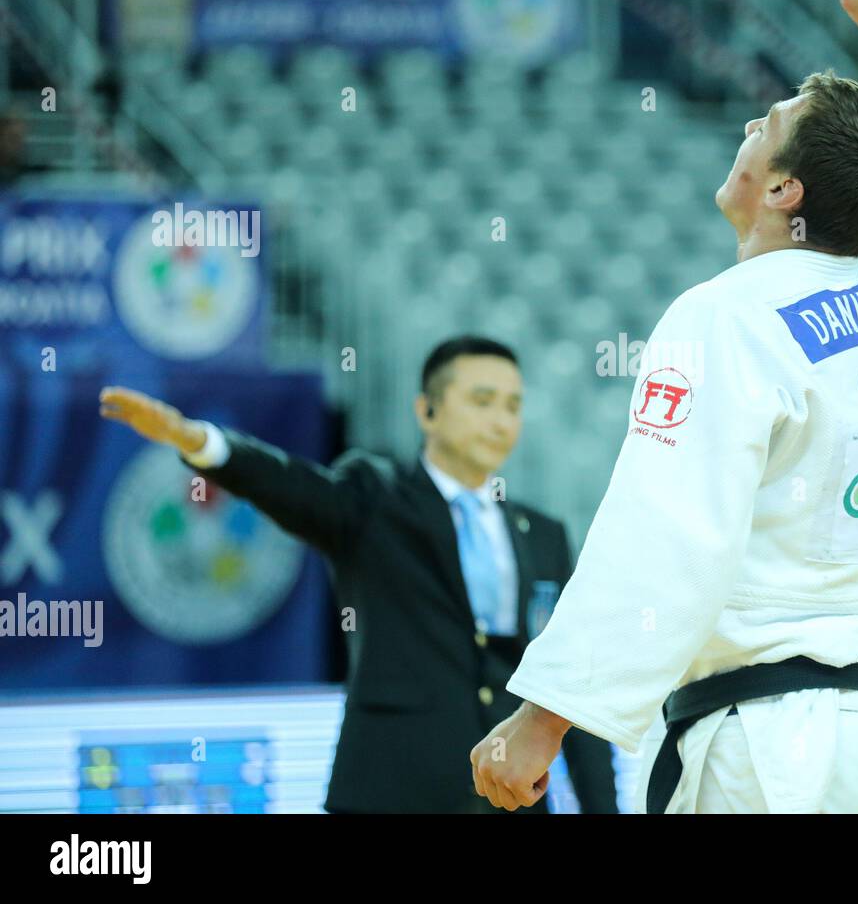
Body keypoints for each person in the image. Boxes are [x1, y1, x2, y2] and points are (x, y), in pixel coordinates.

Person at [470, 0, 858, 814]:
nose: (748, 126)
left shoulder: (724, 318)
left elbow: (664, 536)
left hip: (763, 754)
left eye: (765, 123)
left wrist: (542, 720)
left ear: (781, 187)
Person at [99, 336, 618, 814]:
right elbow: (291, 485)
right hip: (391, 792)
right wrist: (201, 443)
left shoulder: (542, 534)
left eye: (513, 405)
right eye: (482, 400)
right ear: (427, 410)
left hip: (510, 800)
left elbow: (567, 678)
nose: (501, 420)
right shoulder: (376, 495)